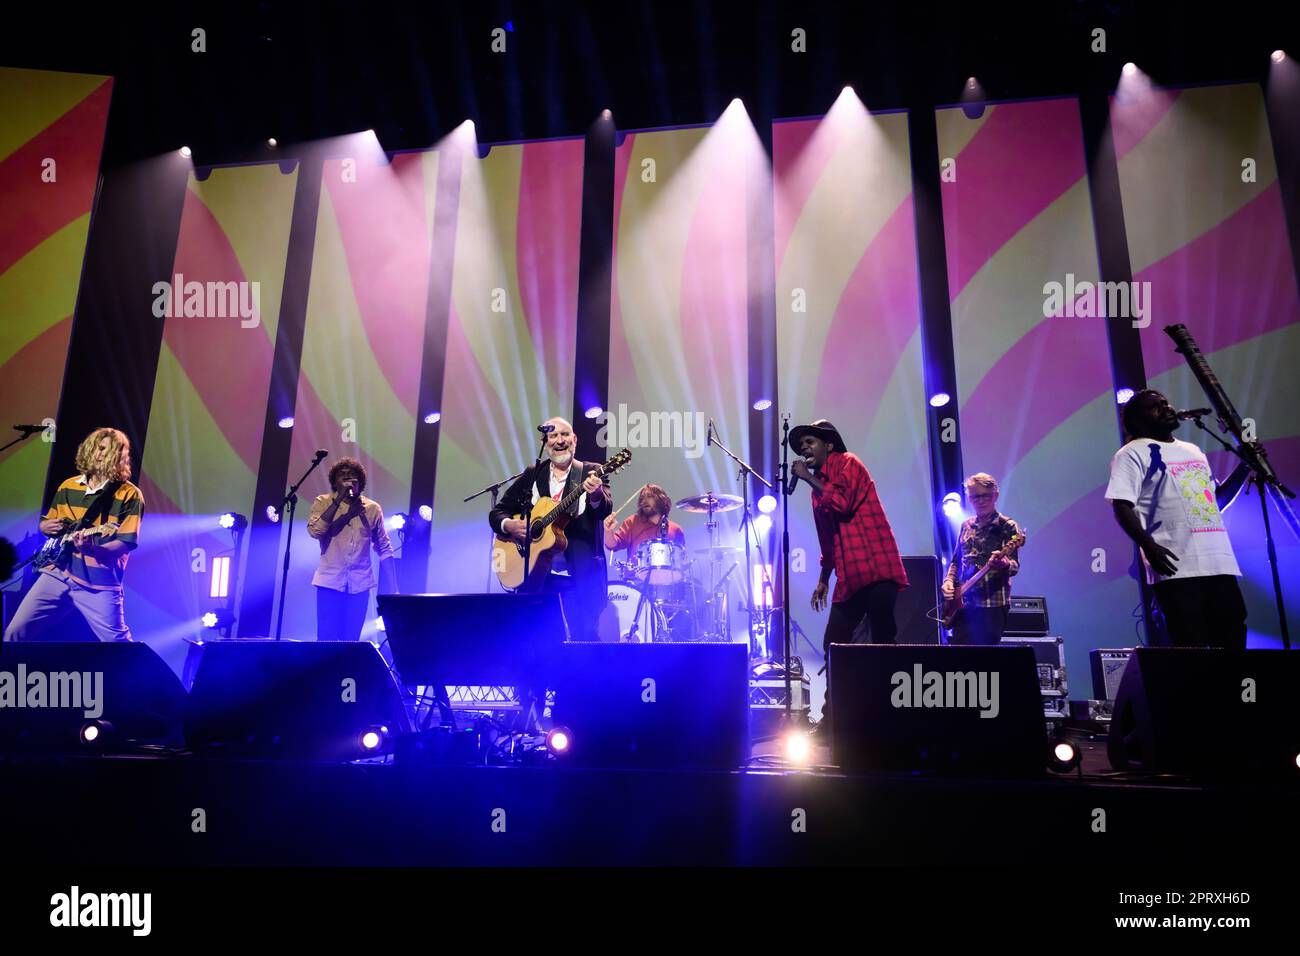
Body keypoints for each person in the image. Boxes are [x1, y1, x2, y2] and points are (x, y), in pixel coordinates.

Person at [1105, 389, 1252, 649]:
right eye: (1155, 406)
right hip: (1176, 566)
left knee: (1232, 639)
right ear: (1138, 419)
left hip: (1219, 562)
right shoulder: (1131, 453)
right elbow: (1122, 506)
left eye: (1166, 402)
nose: (1166, 407)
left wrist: (1245, 466)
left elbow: (1214, 502)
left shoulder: (1193, 451)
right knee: (1190, 643)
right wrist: (1148, 546)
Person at [790, 419, 909, 735]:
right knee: (834, 643)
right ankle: (832, 720)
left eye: (810, 443)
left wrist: (808, 479)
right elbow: (827, 540)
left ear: (828, 445)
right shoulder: (817, 490)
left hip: (877, 567)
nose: (804, 449)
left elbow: (842, 502)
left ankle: (892, 715)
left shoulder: (849, 463)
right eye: (801, 447)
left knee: (883, 639)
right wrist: (823, 578)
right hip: (849, 577)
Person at [4, 427, 143, 642]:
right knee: (14, 634)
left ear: (119, 455)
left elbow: (125, 542)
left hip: (98, 582)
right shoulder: (68, 486)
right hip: (57, 571)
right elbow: (47, 523)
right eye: (97, 448)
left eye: (106, 450)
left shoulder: (129, 494)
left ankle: (144, 676)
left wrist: (92, 549)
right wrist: (45, 527)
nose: (100, 454)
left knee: (118, 645)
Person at [489, 417, 611, 642]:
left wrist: (595, 495)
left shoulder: (591, 471)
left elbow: (603, 509)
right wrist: (510, 525)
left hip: (580, 576)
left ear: (575, 440)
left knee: (584, 641)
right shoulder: (534, 473)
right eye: (553, 436)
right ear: (545, 443)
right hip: (538, 577)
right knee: (539, 644)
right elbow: (498, 513)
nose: (559, 440)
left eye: (565, 435)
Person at [306, 457, 398, 642]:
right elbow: (316, 531)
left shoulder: (372, 508)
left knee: (351, 640)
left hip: (359, 584)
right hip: (329, 582)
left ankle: (346, 672)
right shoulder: (323, 502)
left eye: (352, 475)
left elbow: (385, 548)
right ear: (334, 482)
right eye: (342, 475)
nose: (347, 478)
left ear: (360, 481)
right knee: (326, 639)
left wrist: (394, 588)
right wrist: (339, 500)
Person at [942, 473, 1022, 645]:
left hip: (991, 606)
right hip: (964, 605)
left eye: (986, 495)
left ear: (996, 496)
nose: (981, 500)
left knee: (986, 663)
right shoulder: (966, 525)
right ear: (969, 499)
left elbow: (1014, 566)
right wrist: (948, 581)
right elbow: (956, 561)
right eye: (975, 497)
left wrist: (1004, 563)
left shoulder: (1007, 526)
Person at [602, 483, 686, 555]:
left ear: (661, 500)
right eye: (642, 498)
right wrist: (608, 532)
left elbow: (681, 559)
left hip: (669, 574)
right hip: (635, 574)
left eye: (649, 497)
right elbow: (613, 546)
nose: (644, 501)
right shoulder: (632, 522)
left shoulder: (676, 529)